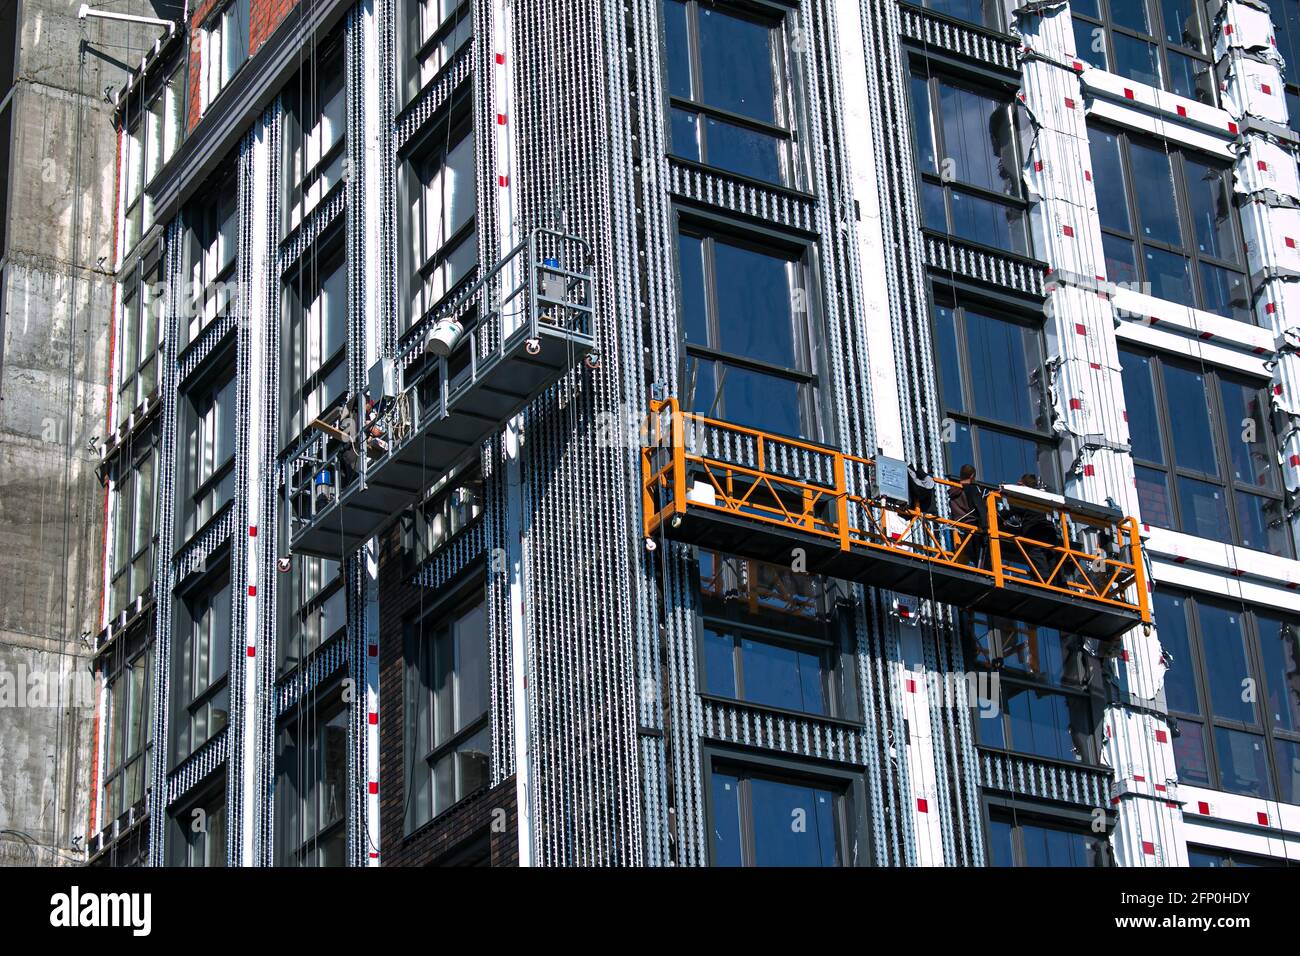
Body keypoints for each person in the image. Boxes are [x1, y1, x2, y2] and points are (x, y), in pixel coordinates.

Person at [947, 464, 986, 567]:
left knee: (970, 554)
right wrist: (985, 527)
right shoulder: (973, 489)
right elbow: (980, 507)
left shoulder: (953, 491)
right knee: (982, 559)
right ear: (972, 475)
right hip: (973, 528)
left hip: (960, 528)